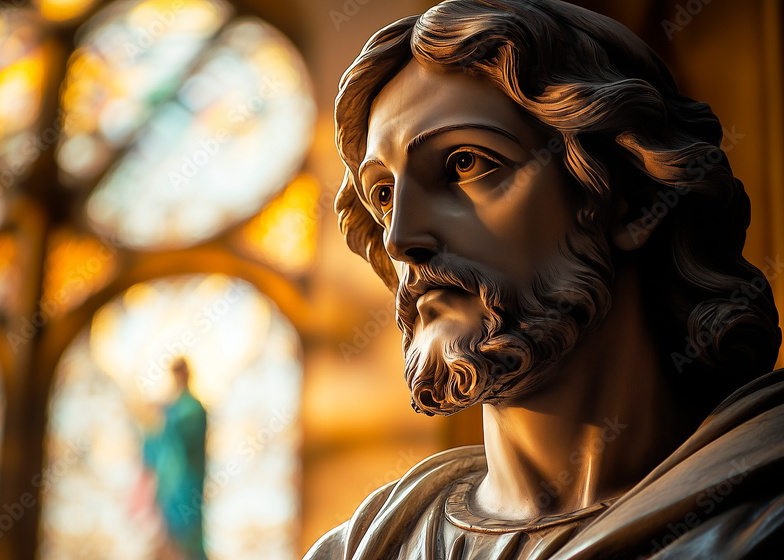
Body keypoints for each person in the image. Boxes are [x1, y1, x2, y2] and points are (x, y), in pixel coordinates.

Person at [305, 1, 784, 558]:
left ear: (631, 200)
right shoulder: (369, 549)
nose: (400, 237)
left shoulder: (759, 511)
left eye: (465, 164)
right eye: (384, 195)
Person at [142, 357, 208, 560]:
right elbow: (156, 444)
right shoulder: (172, 406)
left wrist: (165, 413)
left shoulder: (193, 407)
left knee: (187, 530)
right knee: (168, 531)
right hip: (169, 481)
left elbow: (184, 432)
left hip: (187, 479)